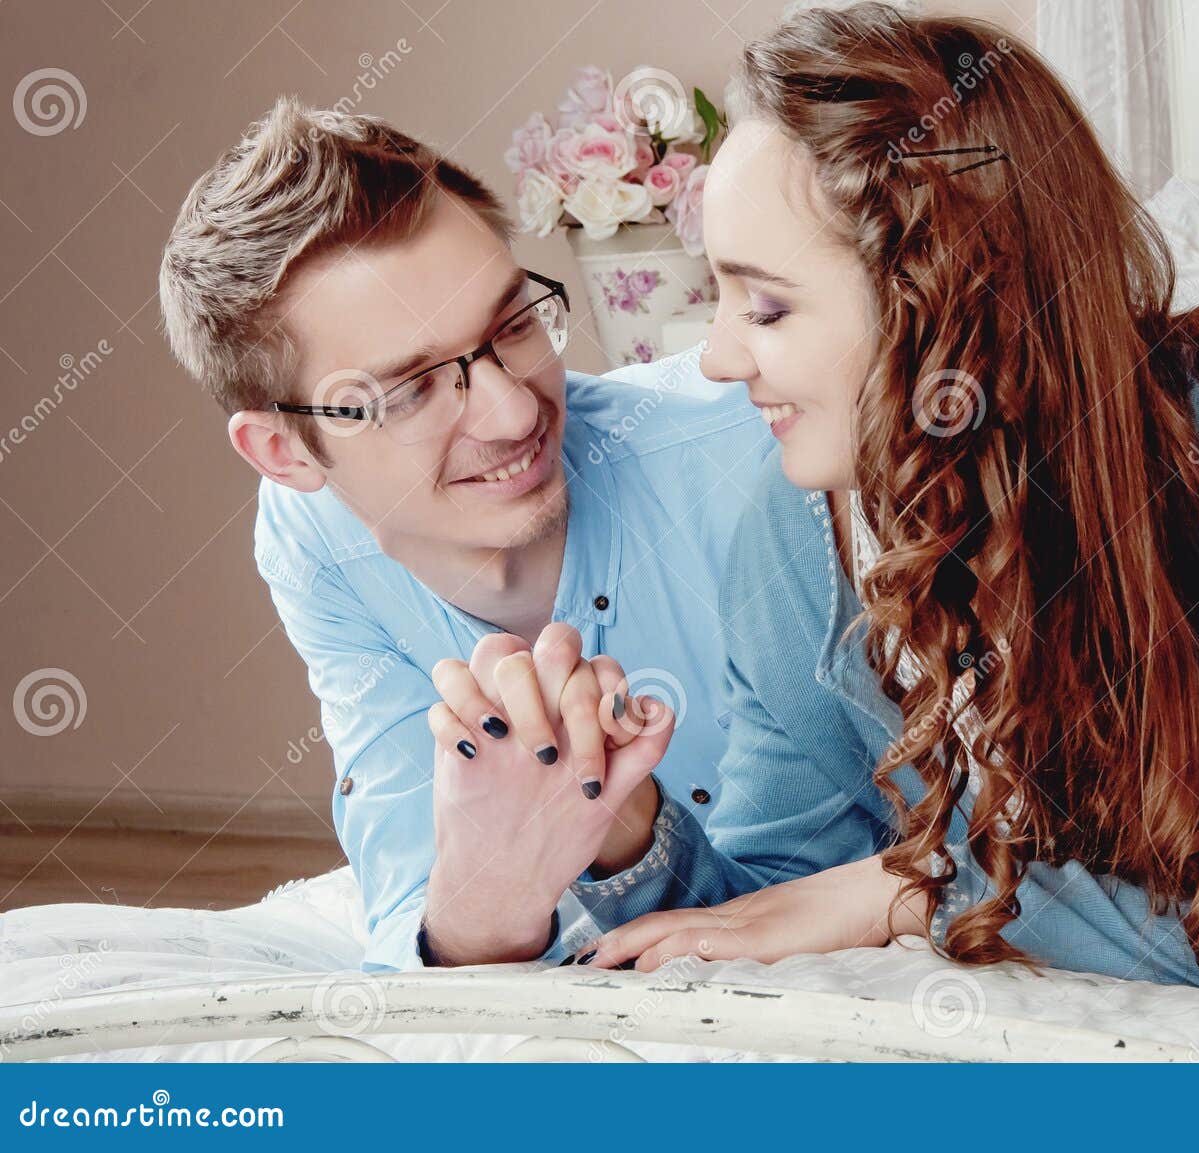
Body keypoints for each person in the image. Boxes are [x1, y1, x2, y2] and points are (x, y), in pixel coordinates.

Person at [429, 4, 1199, 993]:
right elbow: (782, 900)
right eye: (717, 298)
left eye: (767, 305)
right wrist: (625, 833)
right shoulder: (787, 527)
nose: (721, 360)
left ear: (952, 302)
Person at [158, 98, 772, 971]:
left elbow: (856, 886)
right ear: (285, 450)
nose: (517, 408)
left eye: (513, 325)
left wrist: (627, 838)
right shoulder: (315, 538)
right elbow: (421, 897)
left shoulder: (747, 452)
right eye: (407, 391)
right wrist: (493, 895)